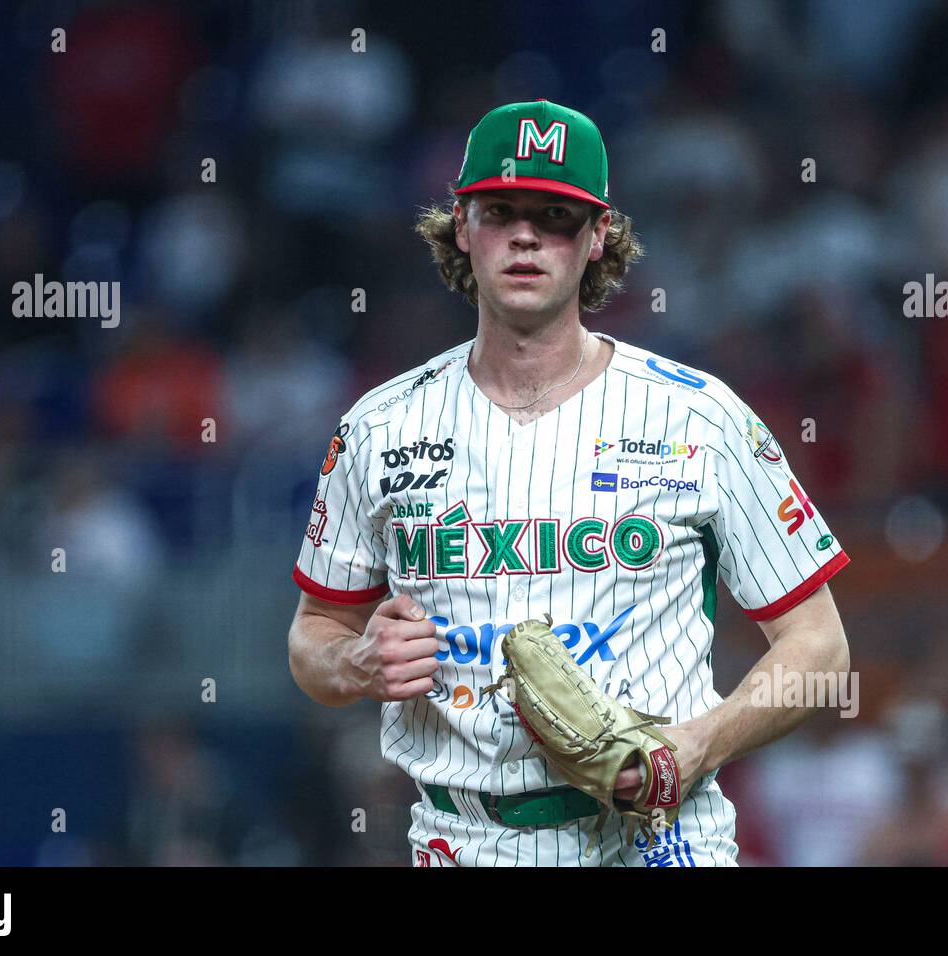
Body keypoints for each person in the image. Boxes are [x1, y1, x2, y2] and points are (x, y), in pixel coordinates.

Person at [287, 100, 851, 867]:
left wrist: (695, 743)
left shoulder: (700, 417)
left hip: (661, 835)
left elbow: (819, 646)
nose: (525, 235)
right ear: (461, 226)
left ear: (598, 237)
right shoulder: (379, 427)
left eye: (555, 216)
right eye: (501, 210)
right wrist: (353, 663)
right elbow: (313, 633)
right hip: (464, 840)